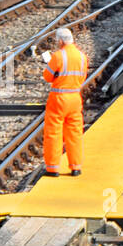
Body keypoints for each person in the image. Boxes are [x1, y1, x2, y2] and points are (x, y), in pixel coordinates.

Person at [41, 27, 88, 177]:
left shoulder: (58, 56)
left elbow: (47, 76)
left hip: (59, 98)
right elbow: (82, 77)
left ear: (60, 41)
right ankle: (76, 167)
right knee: (75, 132)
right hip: (75, 97)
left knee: (53, 132)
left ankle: (53, 168)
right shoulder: (82, 57)